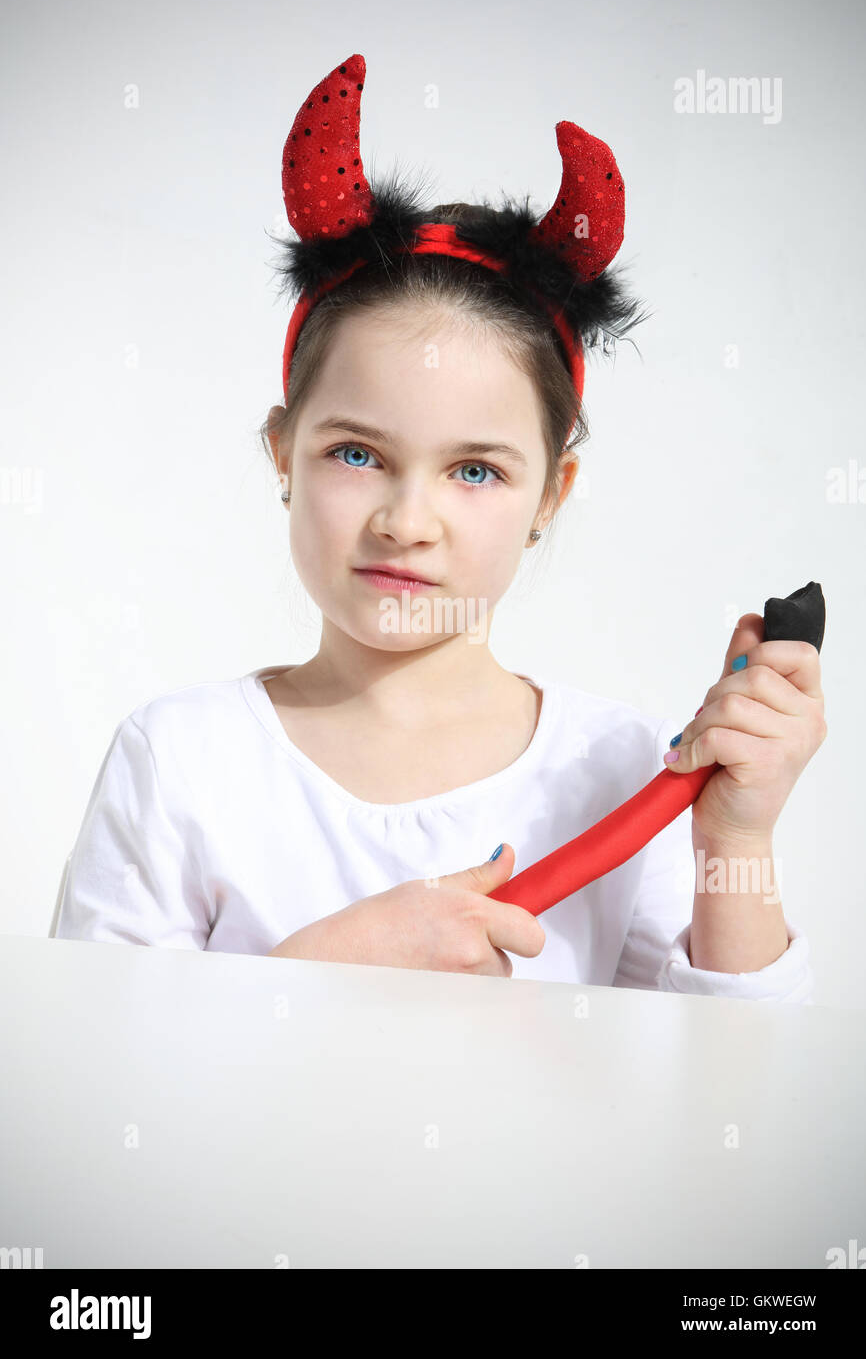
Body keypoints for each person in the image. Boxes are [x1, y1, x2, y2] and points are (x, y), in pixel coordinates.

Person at [53, 55, 823, 1001]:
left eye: (474, 471)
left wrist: (736, 835)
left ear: (551, 493)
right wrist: (331, 971)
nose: (407, 522)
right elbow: (98, 1092)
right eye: (357, 454)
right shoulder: (177, 760)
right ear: (282, 453)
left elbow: (731, 1101)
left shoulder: (629, 769)